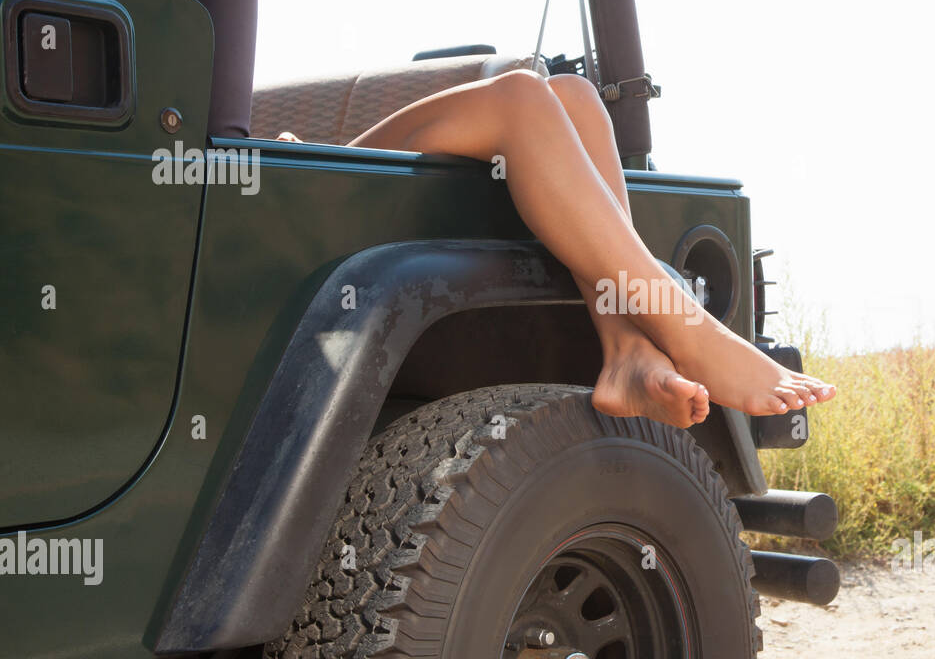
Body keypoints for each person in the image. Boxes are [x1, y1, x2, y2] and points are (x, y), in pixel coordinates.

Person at [278, 69, 835, 430]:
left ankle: (625, 349)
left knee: (574, 94)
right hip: (283, 188)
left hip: (288, 171)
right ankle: (685, 329)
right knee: (520, 94)